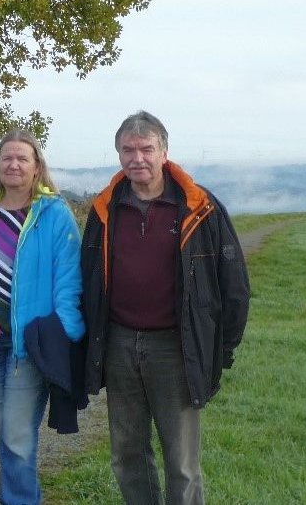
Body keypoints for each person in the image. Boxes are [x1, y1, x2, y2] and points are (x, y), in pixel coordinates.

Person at [81, 111, 250, 505]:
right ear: (118, 154)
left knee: (182, 461)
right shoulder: (104, 210)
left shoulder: (200, 207)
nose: (137, 158)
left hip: (175, 346)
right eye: (128, 150)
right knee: (127, 454)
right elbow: (87, 280)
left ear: (164, 151)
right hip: (119, 344)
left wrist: (221, 348)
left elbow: (234, 286)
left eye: (146, 148)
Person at [0, 130, 85, 505]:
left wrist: (65, 331)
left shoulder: (54, 214)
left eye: (22, 158)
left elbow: (69, 277)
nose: (14, 164)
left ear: (37, 166)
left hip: (29, 345)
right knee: (4, 435)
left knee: (17, 437)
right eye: (7, 157)